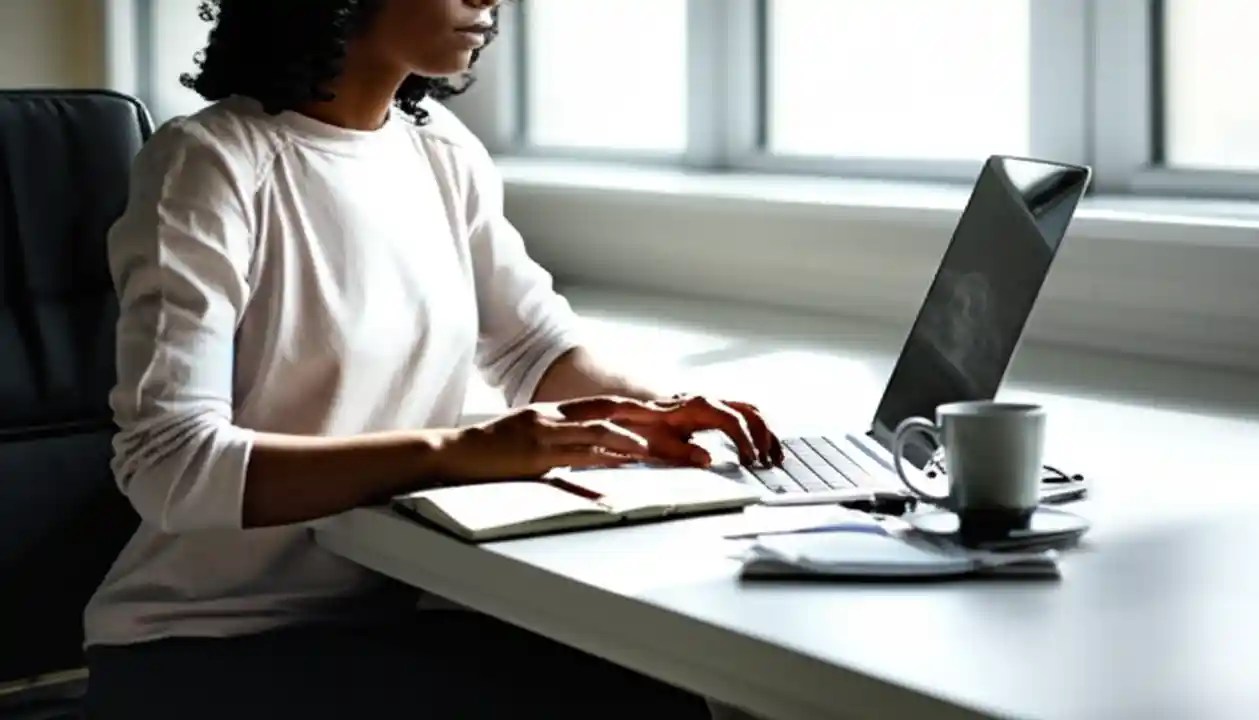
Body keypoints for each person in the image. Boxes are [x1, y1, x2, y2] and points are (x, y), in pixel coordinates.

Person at [83, 0, 783, 717]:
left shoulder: (438, 149)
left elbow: (534, 347)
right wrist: (460, 451)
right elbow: (169, 464)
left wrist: (656, 412)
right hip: (198, 647)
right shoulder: (208, 164)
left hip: (381, 617)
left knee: (674, 690)